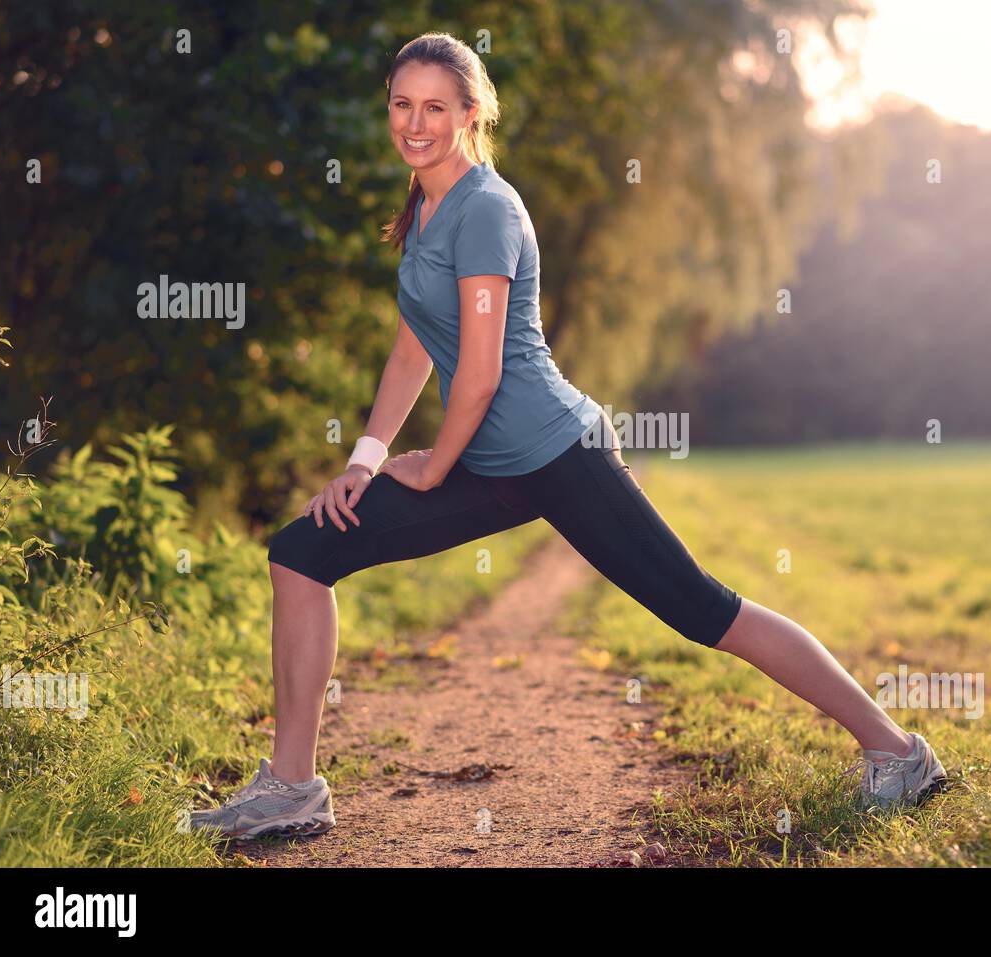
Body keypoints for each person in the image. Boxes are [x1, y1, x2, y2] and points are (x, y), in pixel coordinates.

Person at [189, 32, 946, 843]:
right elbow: (415, 345)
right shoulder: (426, 203)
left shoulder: (484, 210)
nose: (414, 123)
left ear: (470, 115)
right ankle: (293, 787)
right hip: (487, 460)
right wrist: (366, 461)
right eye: (401, 105)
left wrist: (428, 465)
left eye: (435, 107)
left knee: (702, 608)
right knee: (303, 552)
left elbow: (476, 375)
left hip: (558, 455)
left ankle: (898, 752)